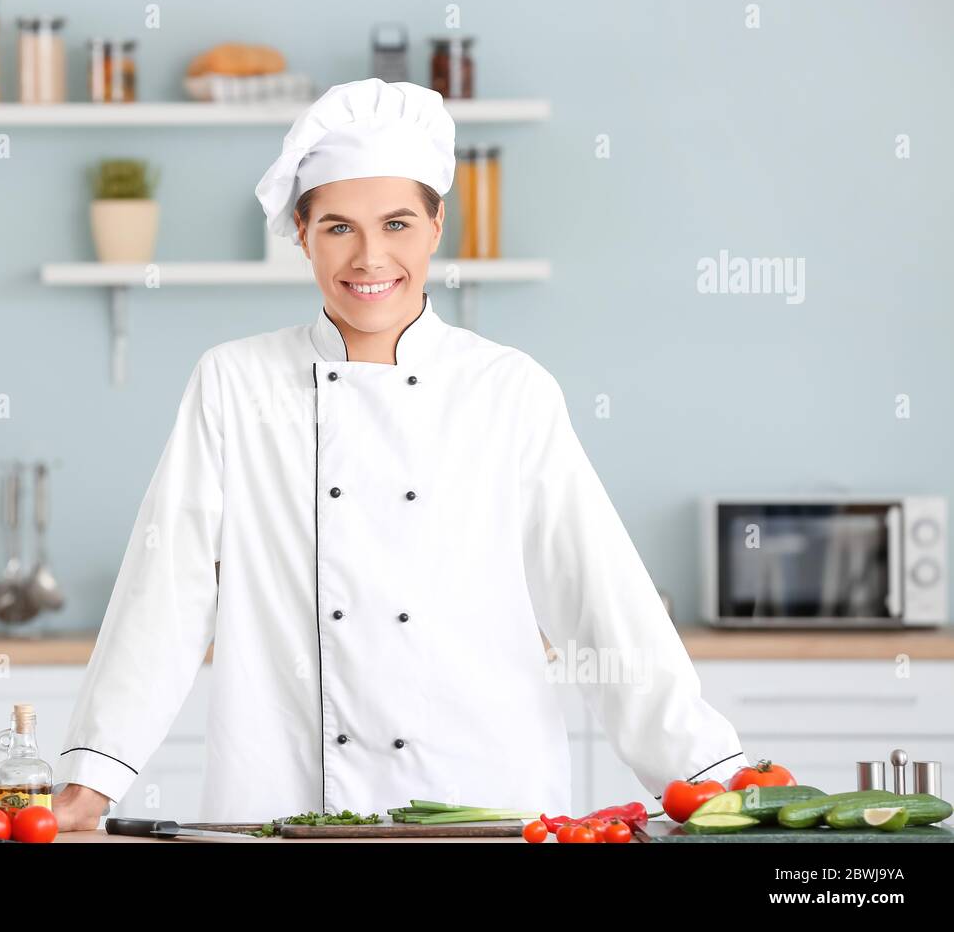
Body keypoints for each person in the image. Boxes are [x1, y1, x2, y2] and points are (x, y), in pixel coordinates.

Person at [53, 78, 747, 830]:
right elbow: (167, 590)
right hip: (290, 801)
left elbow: (596, 595)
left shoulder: (507, 388)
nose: (370, 257)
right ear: (301, 230)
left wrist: (707, 774)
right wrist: (94, 778)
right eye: (339, 228)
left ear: (437, 223)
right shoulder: (235, 382)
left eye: (397, 223)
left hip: (483, 798)